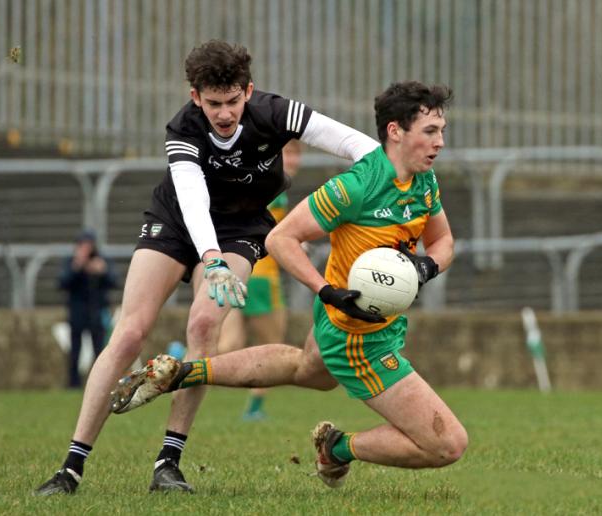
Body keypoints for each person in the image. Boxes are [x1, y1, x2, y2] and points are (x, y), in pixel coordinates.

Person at [35, 40, 379, 495]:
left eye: (233, 101)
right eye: (213, 102)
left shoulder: (276, 113)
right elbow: (193, 196)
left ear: (248, 91)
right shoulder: (183, 127)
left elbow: (358, 145)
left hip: (240, 228)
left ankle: (168, 463)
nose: (224, 113)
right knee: (131, 331)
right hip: (177, 221)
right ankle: (71, 468)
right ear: (195, 95)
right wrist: (209, 258)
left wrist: (385, 180)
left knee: (203, 324)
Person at [110, 81, 467, 488]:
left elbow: (444, 241)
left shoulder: (424, 182)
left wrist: (424, 268)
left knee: (308, 370)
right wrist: (325, 290)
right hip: (356, 337)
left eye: (441, 131)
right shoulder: (357, 186)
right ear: (395, 131)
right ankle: (338, 447)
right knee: (448, 444)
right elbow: (280, 238)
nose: (439, 142)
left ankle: (182, 372)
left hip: (366, 324)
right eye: (430, 131)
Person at [217, 139, 304, 421]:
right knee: (273, 346)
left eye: (296, 155)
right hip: (263, 279)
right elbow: (274, 229)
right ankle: (255, 408)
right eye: (287, 154)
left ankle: (180, 354)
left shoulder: (258, 180)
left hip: (238, 270)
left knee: (228, 345)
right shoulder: (276, 185)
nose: (292, 161)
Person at [58, 230, 117, 388]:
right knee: (75, 351)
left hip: (96, 312)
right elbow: (62, 282)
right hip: (77, 313)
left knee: (100, 350)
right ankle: (73, 384)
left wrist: (102, 271)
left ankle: (100, 383)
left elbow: (114, 281)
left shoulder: (101, 261)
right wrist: (77, 267)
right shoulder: (71, 262)